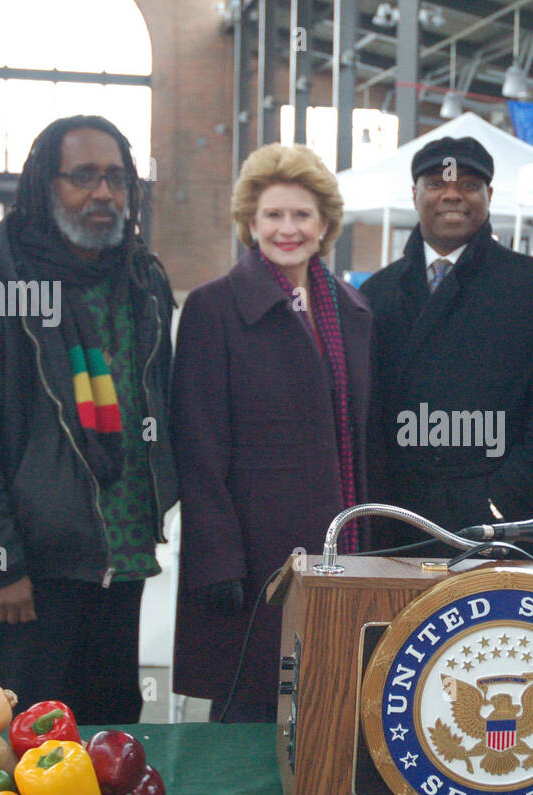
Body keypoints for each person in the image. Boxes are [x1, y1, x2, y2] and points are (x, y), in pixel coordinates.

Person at [0, 115, 177, 723]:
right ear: (43, 184)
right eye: (82, 176)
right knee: (28, 741)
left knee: (112, 731)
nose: (103, 193)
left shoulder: (140, 279)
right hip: (34, 573)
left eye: (115, 177)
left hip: (122, 557)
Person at [170, 143, 370, 723]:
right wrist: (217, 560)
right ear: (249, 224)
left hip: (340, 547)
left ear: (325, 224)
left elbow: (363, 436)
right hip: (254, 559)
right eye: (273, 216)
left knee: (330, 704)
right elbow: (198, 444)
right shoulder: (213, 309)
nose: (288, 229)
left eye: (302, 215)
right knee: (250, 711)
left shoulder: (355, 311)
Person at [362, 136, 533, 548]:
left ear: (489, 195)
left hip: (501, 532)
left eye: (469, 184)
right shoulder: (375, 296)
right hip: (394, 528)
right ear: (414, 195)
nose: (452, 194)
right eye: (436, 183)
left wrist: (499, 503)